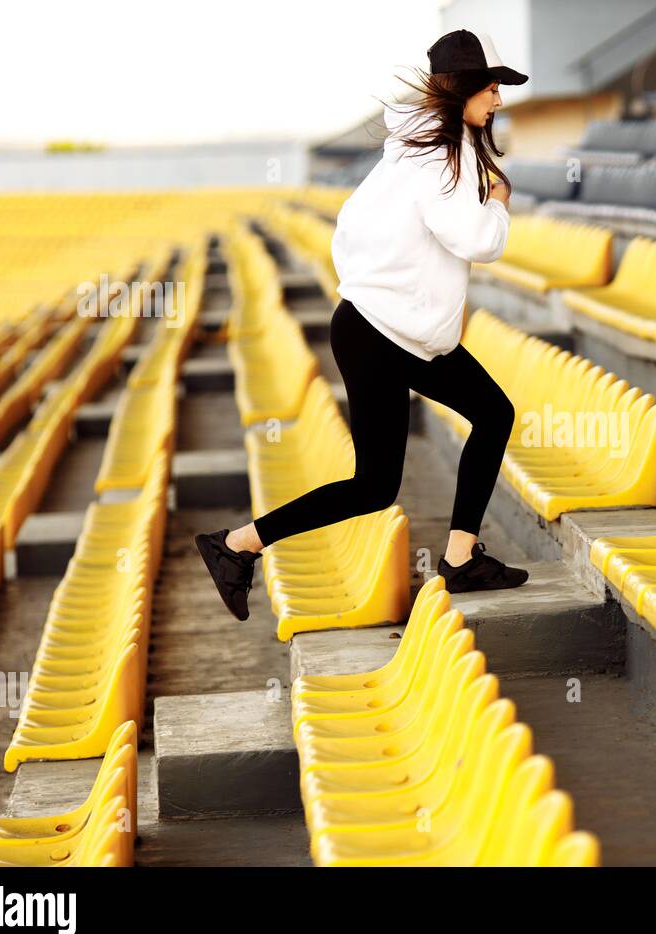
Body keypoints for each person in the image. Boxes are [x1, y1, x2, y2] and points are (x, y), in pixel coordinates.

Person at [196, 29, 531, 622]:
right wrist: (499, 201)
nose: (499, 100)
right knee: (380, 481)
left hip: (380, 327)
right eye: (492, 87)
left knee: (476, 423)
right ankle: (235, 546)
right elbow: (478, 239)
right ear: (463, 90)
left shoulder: (414, 148)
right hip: (384, 334)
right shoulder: (438, 155)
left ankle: (458, 556)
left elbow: (348, 228)